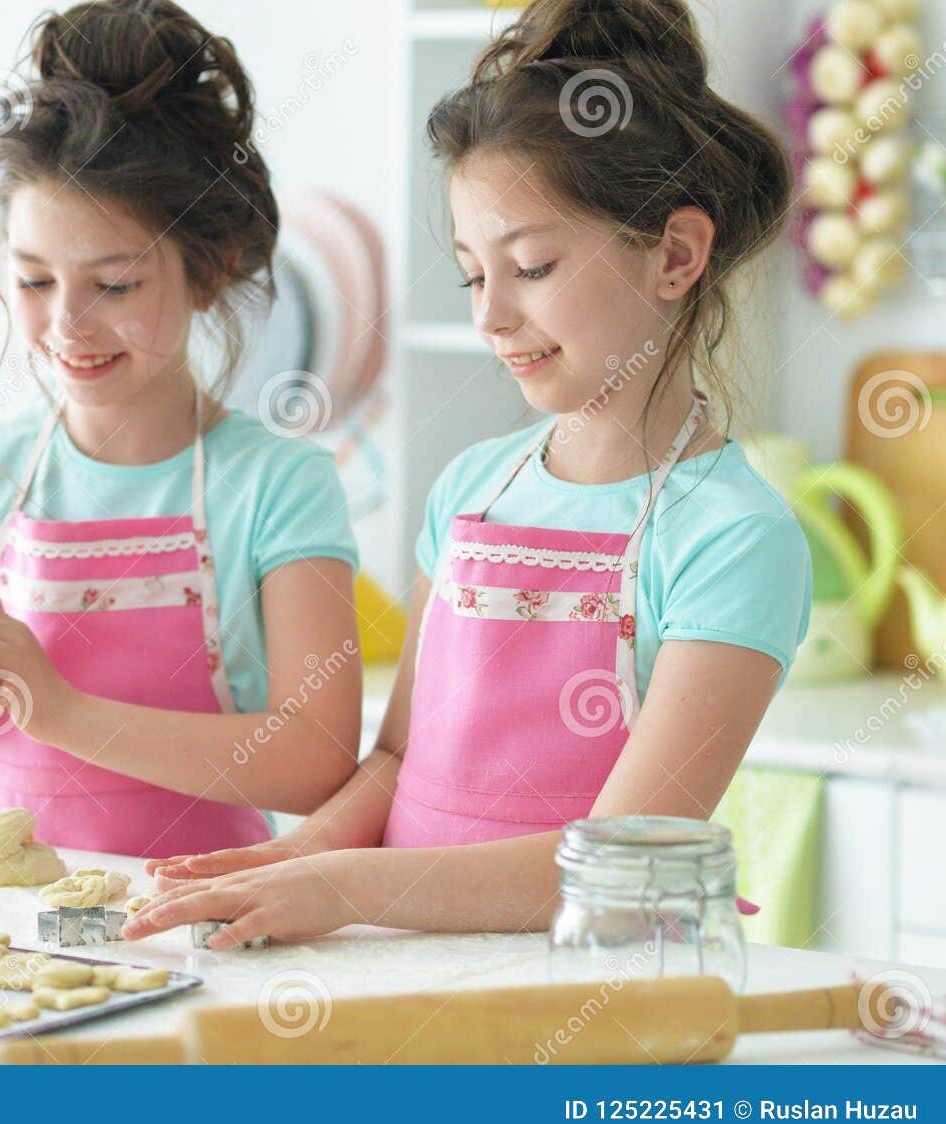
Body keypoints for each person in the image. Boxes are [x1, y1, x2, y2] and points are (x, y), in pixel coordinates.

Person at [127, 0, 812, 946]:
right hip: (406, 972)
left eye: (530, 265)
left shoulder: (734, 537)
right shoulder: (472, 492)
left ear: (676, 254)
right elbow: (399, 756)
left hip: (586, 1000)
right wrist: (297, 856)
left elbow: (618, 863)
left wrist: (342, 889)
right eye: (472, 275)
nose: (490, 317)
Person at [0, 0, 362, 859]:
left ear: (208, 272)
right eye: (33, 282)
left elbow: (314, 760)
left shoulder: (280, 487)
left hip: (199, 924)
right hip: (0, 939)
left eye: (116, 285)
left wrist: (57, 707)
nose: (68, 324)